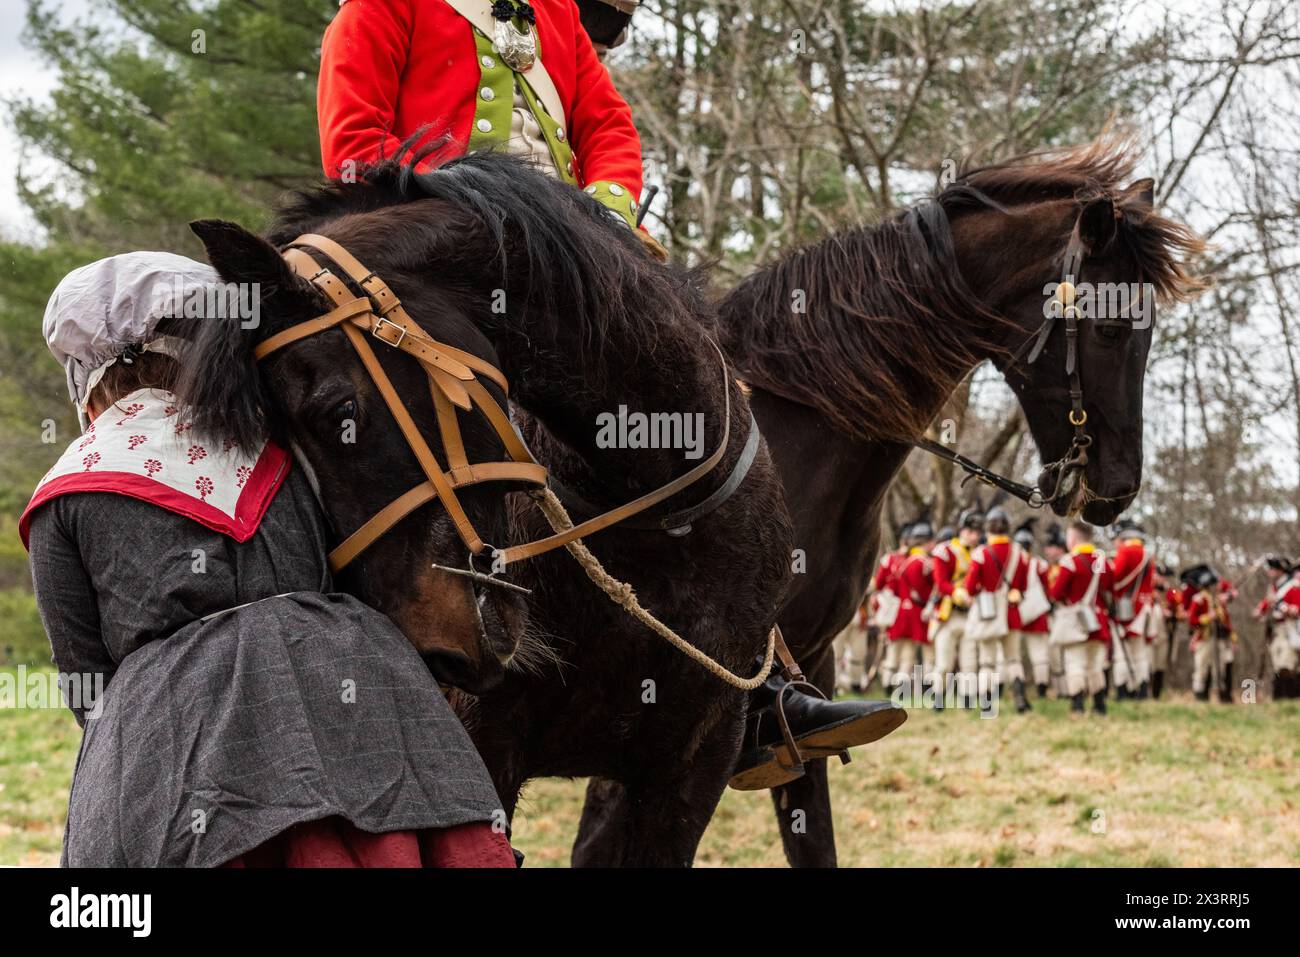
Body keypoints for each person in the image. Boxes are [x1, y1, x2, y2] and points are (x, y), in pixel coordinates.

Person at [23, 254, 516, 867]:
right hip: (355, 701)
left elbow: (87, 681)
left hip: (192, 748)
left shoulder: (64, 492)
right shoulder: (283, 451)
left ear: (86, 382)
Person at [316, 0, 664, 256]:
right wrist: (465, 201)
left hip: (570, 231)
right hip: (439, 228)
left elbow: (609, 126)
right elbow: (356, 144)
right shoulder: (377, 6)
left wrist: (608, 210)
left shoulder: (559, 11)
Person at [963, 507, 1031, 713]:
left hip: (988, 612)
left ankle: (987, 704)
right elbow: (1023, 586)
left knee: (987, 661)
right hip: (1011, 611)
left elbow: (969, 587)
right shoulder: (1020, 553)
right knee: (1013, 658)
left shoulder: (980, 554)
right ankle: (1020, 699)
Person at [1048, 521, 1112, 717]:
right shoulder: (1100, 560)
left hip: (1077, 622)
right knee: (1095, 666)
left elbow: (1056, 593)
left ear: (1073, 538)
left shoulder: (1069, 561)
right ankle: (1100, 707)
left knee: (1075, 664)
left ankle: (1077, 707)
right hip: (1099, 620)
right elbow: (1109, 585)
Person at [928, 510, 982, 707]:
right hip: (948, 613)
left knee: (969, 662)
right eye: (970, 530)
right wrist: (956, 593)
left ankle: (967, 699)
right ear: (962, 530)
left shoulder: (980, 553)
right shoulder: (946, 551)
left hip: (970, 614)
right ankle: (938, 700)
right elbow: (941, 582)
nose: (973, 535)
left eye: (976, 532)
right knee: (943, 663)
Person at [883, 522, 935, 698]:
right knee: (917, 656)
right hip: (917, 614)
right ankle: (922, 691)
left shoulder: (904, 562)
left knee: (904, 656)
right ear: (925, 542)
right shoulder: (920, 563)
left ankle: (896, 690)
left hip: (902, 613)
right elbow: (922, 592)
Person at [1108, 519, 1155, 700]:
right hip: (1144, 607)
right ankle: (1142, 689)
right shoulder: (1147, 555)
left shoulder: (1126, 551)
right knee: (1140, 652)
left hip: (1126, 607)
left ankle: (1122, 690)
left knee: (1121, 653)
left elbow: (1115, 577)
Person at [1184, 564, 1236, 703]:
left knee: (1219, 669)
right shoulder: (1199, 599)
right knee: (1201, 668)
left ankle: (1220, 695)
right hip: (1204, 638)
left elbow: (1225, 619)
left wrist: (1230, 634)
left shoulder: (1217, 600)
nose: (1217, 587)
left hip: (1217, 638)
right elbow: (1192, 620)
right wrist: (1208, 617)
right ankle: (1200, 696)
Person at [1012, 519, 1053, 699]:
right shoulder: (1041, 564)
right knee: (1040, 655)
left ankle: (1016, 690)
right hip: (1037, 614)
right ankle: (1041, 691)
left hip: (1015, 612)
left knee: (1011, 654)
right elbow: (1048, 590)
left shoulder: (1011, 563)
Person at [1254, 557, 1300, 697]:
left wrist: (1282, 607)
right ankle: (1280, 698)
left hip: (1289, 629)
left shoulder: (1294, 586)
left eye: (1273, 569)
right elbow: (1261, 609)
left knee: (1288, 664)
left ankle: (1290, 698)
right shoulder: (1273, 588)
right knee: (1278, 665)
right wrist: (1260, 612)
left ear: (1281, 570)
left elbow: (1296, 611)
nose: (1270, 571)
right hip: (1275, 630)